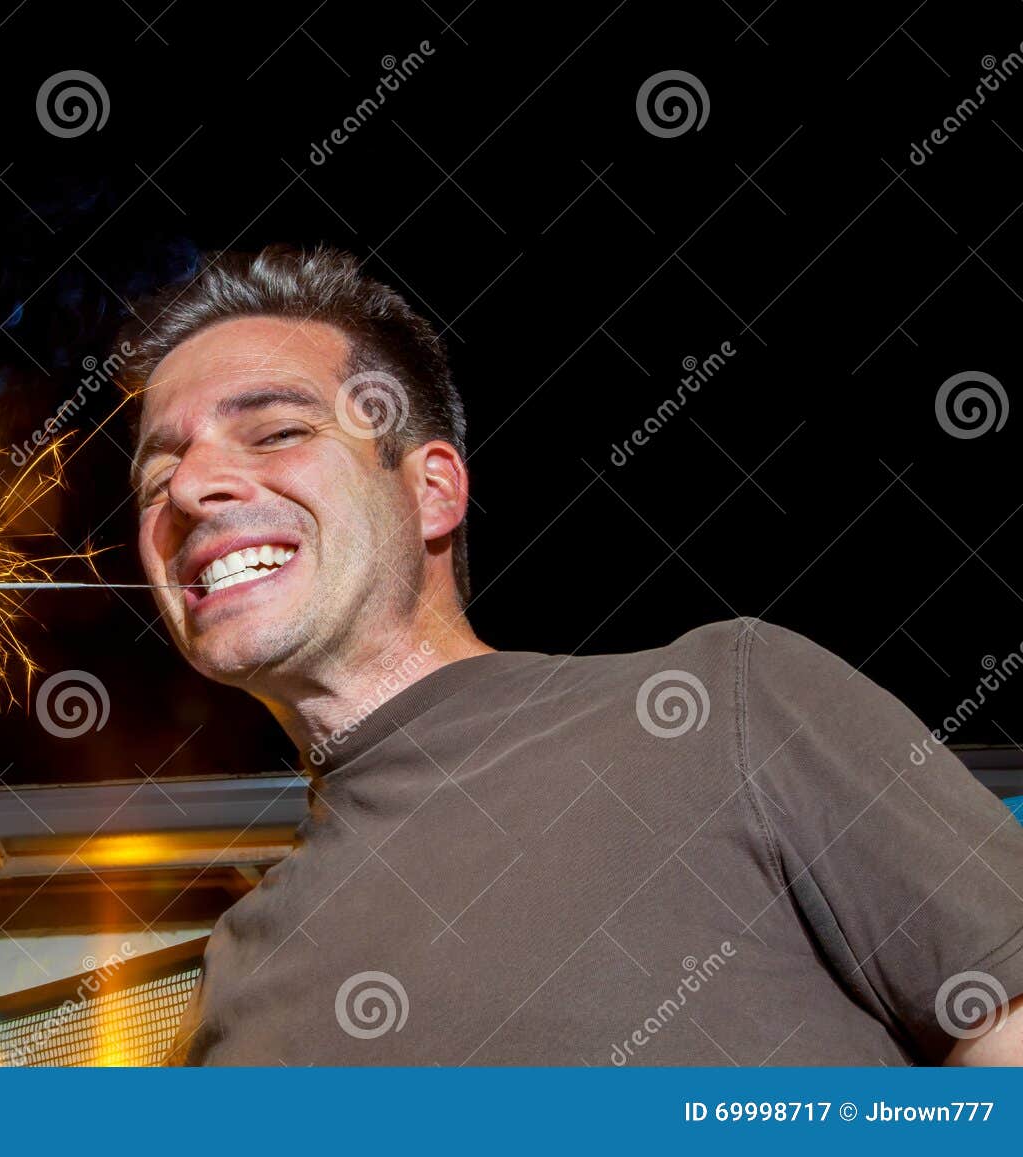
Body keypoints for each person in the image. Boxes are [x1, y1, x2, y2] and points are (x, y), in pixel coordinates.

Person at [114, 244, 1023, 1066]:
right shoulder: (231, 981)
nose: (191, 488)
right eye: (159, 477)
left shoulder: (731, 702)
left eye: (276, 430)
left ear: (431, 490)